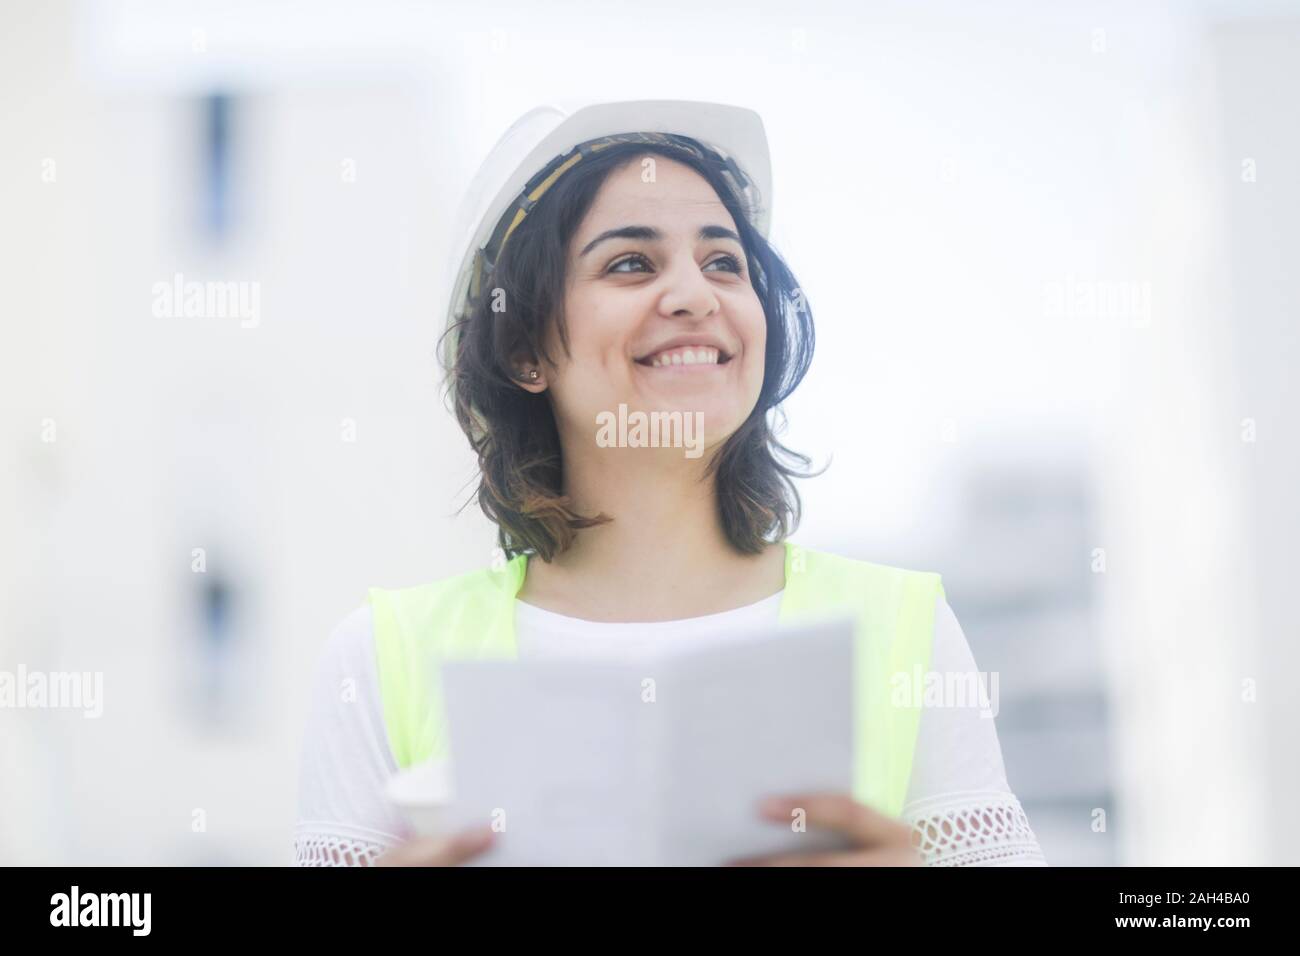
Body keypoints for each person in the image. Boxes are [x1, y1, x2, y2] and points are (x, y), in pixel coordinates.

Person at [293, 100, 1047, 867]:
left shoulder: (908, 631)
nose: (696, 294)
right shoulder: (379, 660)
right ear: (523, 350)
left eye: (724, 262)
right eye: (630, 263)